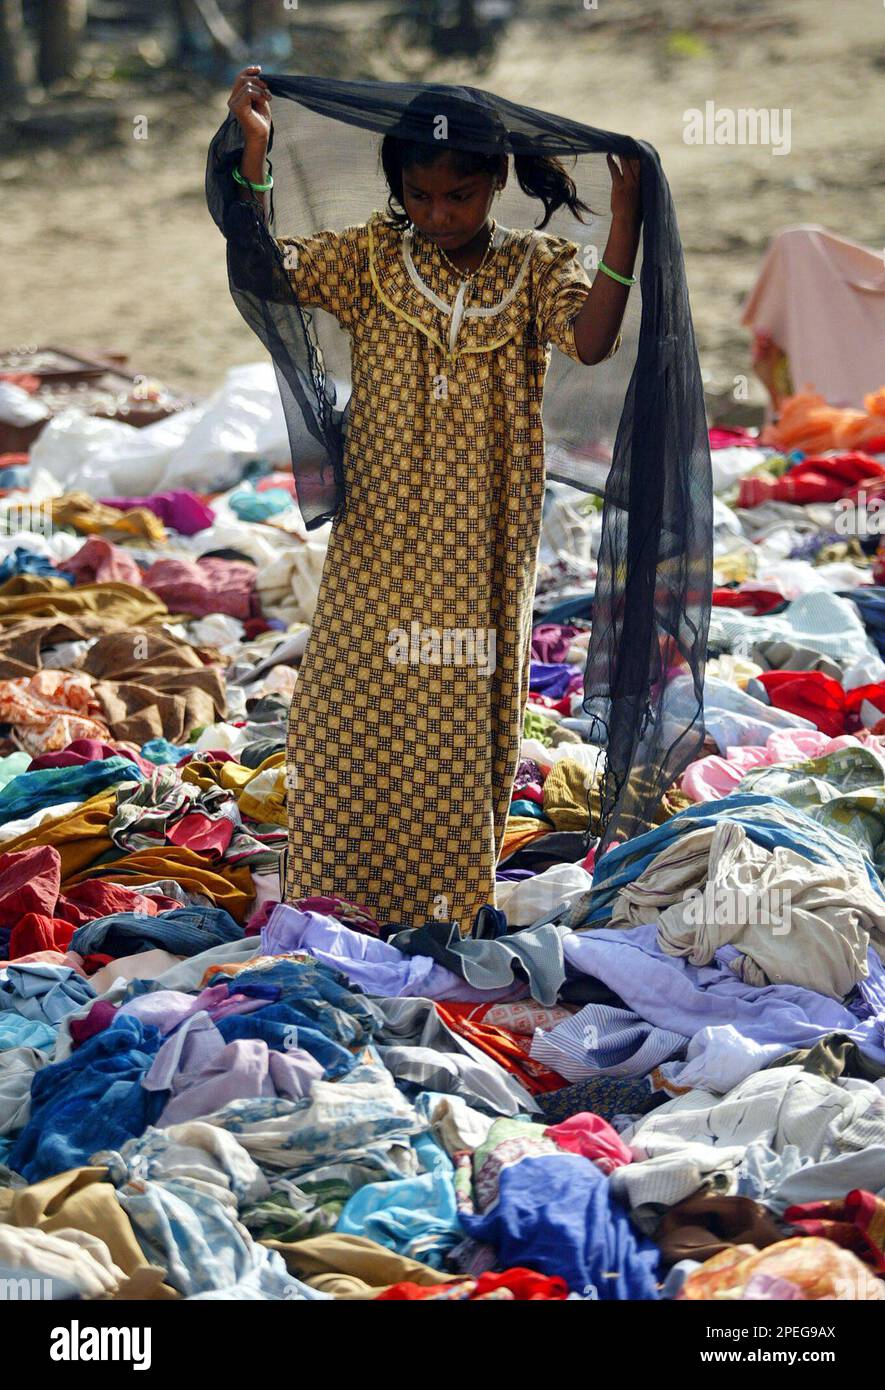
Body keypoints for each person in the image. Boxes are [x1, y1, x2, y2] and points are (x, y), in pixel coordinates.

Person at [226, 65, 642, 933]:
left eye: (459, 195)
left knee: (451, 719)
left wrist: (627, 224)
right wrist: (256, 158)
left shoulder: (533, 269)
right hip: (379, 529)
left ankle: (439, 904)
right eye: (419, 195)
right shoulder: (368, 258)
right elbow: (266, 276)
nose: (439, 214)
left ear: (495, 182)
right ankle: (334, 890)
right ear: (397, 188)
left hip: (480, 538)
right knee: (341, 705)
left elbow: (593, 341)